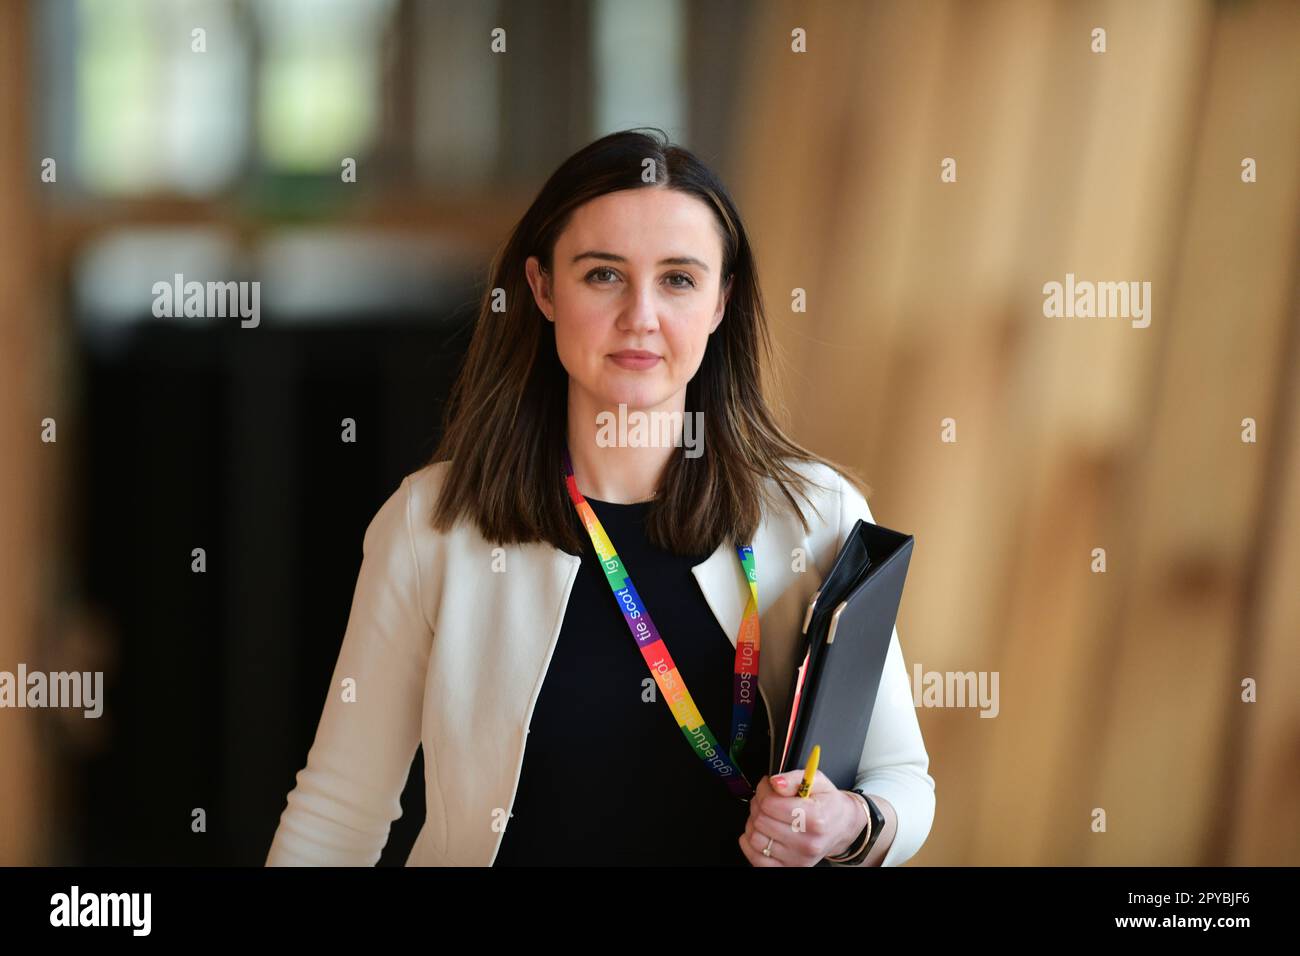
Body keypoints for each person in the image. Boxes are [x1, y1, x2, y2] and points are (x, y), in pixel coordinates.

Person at [266, 127, 934, 867]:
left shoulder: (816, 514)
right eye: (603, 275)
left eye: (678, 278)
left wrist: (851, 823)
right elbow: (338, 811)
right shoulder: (431, 525)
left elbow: (901, 780)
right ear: (543, 288)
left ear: (721, 300)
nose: (640, 315)